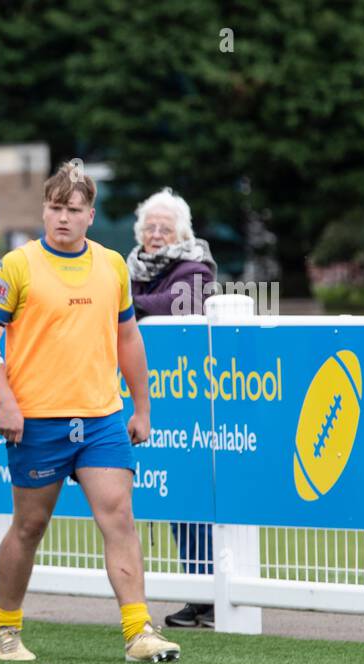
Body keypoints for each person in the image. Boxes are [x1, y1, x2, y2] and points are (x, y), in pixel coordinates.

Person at [0, 162, 181, 664]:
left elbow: (127, 336)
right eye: (54, 207)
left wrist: (142, 406)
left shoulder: (111, 265)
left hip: (102, 420)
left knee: (120, 518)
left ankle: (138, 631)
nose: (61, 218)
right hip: (36, 421)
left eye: (72, 209)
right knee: (29, 526)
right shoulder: (16, 265)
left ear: (90, 215)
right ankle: (6, 631)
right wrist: (5, 400)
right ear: (45, 210)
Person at [128, 188, 218, 629]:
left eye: (165, 227)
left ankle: (211, 595)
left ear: (182, 232)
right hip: (152, 400)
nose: (157, 234)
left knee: (195, 497)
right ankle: (200, 595)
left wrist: (123, 307)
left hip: (194, 402)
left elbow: (179, 303)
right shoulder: (129, 269)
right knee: (175, 500)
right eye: (150, 227)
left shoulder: (195, 268)